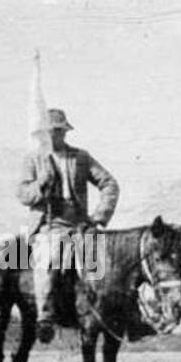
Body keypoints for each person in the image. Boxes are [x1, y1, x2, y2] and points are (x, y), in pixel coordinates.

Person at [16, 107, 119, 342]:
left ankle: (107, 316)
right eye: (51, 132)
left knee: (103, 264)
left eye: (59, 131)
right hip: (49, 225)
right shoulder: (33, 159)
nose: (55, 136)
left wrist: (100, 217)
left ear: (65, 132)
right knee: (49, 258)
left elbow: (109, 184)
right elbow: (22, 194)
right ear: (43, 134)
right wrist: (40, 185)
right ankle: (45, 317)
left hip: (80, 226)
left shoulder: (80, 157)